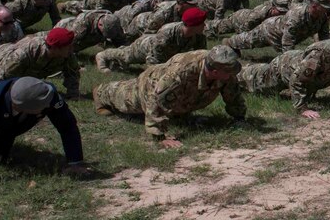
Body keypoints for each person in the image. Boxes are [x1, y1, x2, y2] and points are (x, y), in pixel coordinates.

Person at [94, 46, 245, 147]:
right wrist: (160, 135)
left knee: (177, 105)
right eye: (229, 72)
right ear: (214, 71)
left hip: (178, 94)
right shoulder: (181, 72)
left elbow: (233, 94)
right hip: (152, 85)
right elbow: (157, 99)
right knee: (125, 99)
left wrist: (239, 118)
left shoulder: (225, 71)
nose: (232, 74)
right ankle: (100, 92)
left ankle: (179, 114)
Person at [239, 35, 330, 119]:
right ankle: (239, 73)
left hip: (303, 71)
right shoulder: (319, 55)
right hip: (283, 68)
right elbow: (298, 80)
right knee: (254, 82)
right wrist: (302, 108)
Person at [0, 27, 82, 98]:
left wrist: (73, 94)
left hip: (26, 72)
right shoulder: (25, 54)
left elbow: (72, 72)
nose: (72, 48)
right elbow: (0, 79)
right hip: (0, 59)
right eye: (68, 46)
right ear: (55, 48)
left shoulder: (66, 54)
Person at [95, 8, 208, 72]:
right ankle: (103, 55)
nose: (204, 25)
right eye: (202, 23)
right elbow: (152, 60)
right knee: (126, 56)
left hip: (167, 54)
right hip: (145, 46)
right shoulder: (166, 34)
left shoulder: (199, 35)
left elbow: (201, 55)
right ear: (193, 25)